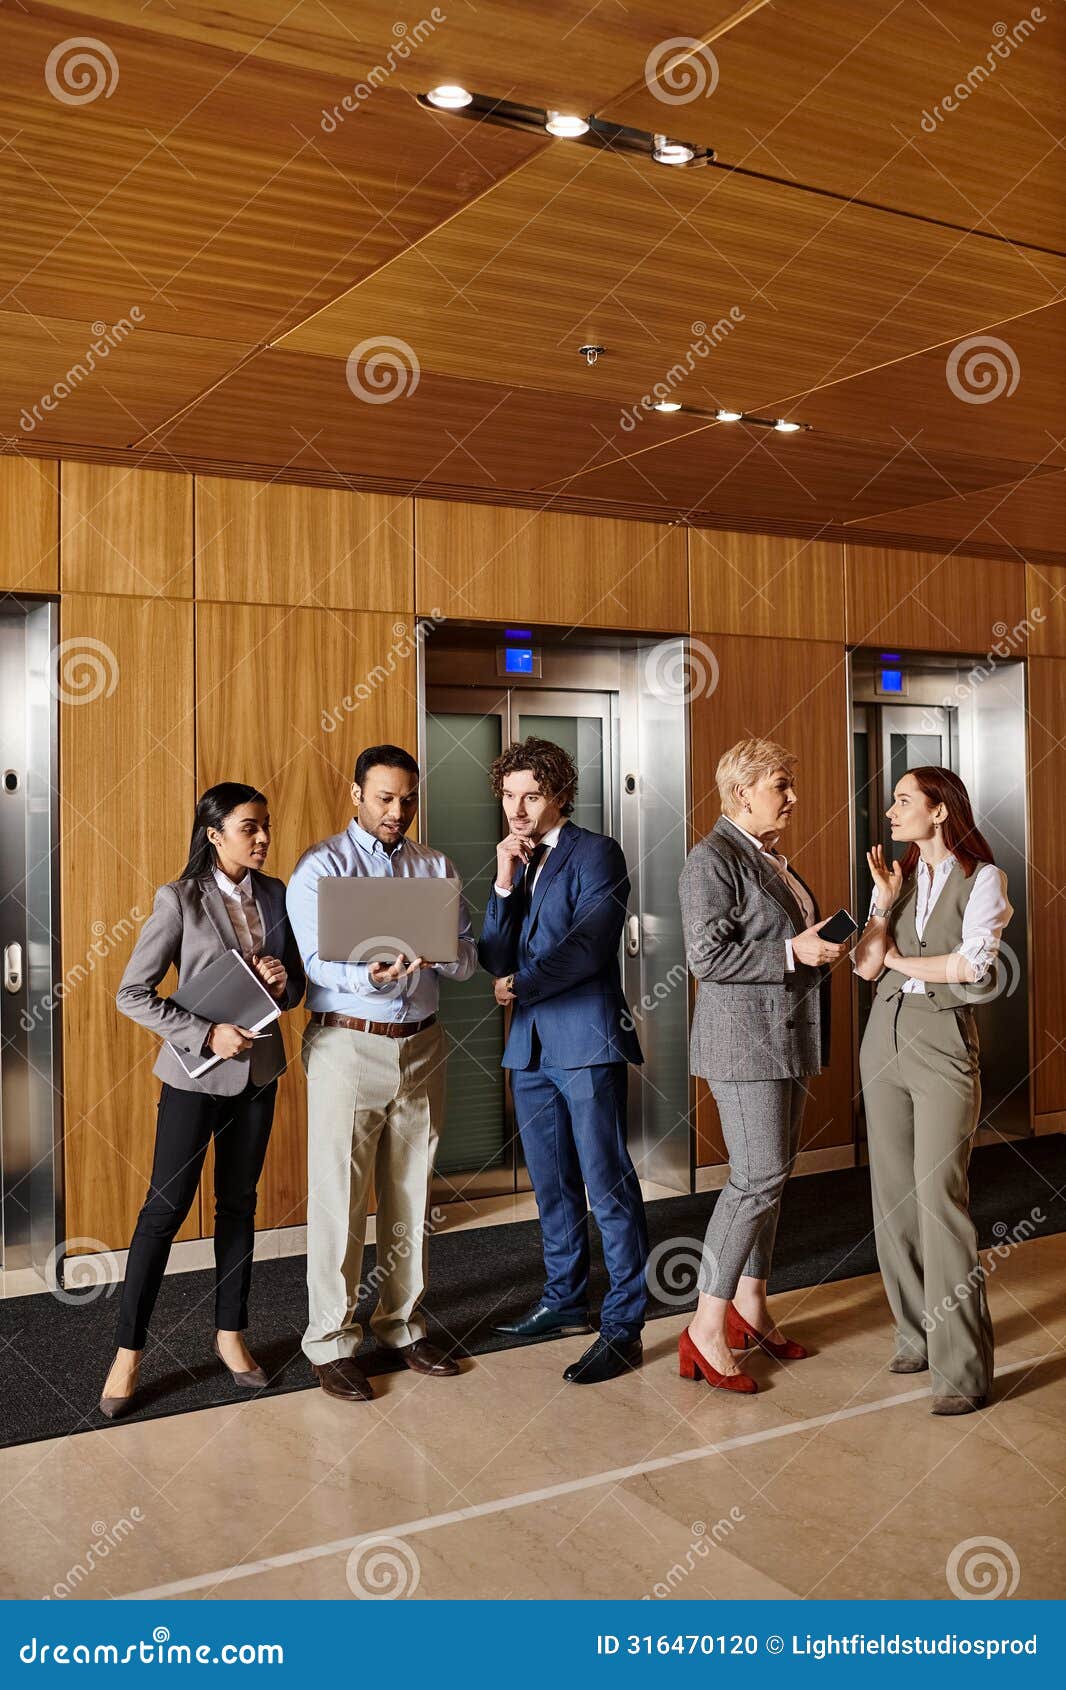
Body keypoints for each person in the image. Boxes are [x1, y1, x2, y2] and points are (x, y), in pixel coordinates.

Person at [101, 783, 305, 1418]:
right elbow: (132, 994)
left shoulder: (277, 894)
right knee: (163, 1212)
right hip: (194, 1078)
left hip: (258, 1076)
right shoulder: (179, 899)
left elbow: (295, 988)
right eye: (249, 827)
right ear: (215, 835)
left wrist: (283, 982)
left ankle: (230, 1335)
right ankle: (128, 1352)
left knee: (238, 1206)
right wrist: (206, 1033)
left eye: (265, 825)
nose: (263, 837)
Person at [285, 745, 477, 1403]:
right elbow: (313, 961)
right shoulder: (322, 866)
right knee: (339, 1198)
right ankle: (332, 1342)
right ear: (356, 794)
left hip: (422, 1045)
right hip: (347, 1045)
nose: (398, 810)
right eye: (385, 798)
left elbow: (468, 956)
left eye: (408, 799)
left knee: (410, 1192)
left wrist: (443, 955)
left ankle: (401, 1326)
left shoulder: (435, 866)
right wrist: (369, 974)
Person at [677, 737, 847, 1394]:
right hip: (744, 1045)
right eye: (781, 785)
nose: (793, 796)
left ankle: (750, 1305)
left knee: (772, 1180)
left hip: (785, 1039)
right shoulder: (711, 859)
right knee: (755, 1180)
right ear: (742, 791)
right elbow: (706, 958)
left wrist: (816, 943)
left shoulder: (768, 856)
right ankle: (705, 1327)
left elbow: (781, 936)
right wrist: (793, 953)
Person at [479, 737, 648, 1385]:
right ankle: (564, 1301)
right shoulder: (518, 859)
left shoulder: (596, 852)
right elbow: (495, 955)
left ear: (560, 795)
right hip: (530, 1048)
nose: (517, 809)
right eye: (509, 796)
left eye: (531, 796)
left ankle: (623, 1326)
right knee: (551, 1184)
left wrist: (520, 985)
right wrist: (502, 880)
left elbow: (589, 946)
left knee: (606, 1183)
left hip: (585, 1040)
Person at [854, 766, 1011, 1415]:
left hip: (942, 1041)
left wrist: (897, 959)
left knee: (939, 1197)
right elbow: (865, 967)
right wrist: (881, 905)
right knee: (892, 1199)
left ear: (940, 810)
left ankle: (963, 1369)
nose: (891, 811)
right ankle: (915, 1334)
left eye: (904, 800)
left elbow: (973, 965)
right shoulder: (899, 879)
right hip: (882, 1040)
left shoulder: (984, 879)